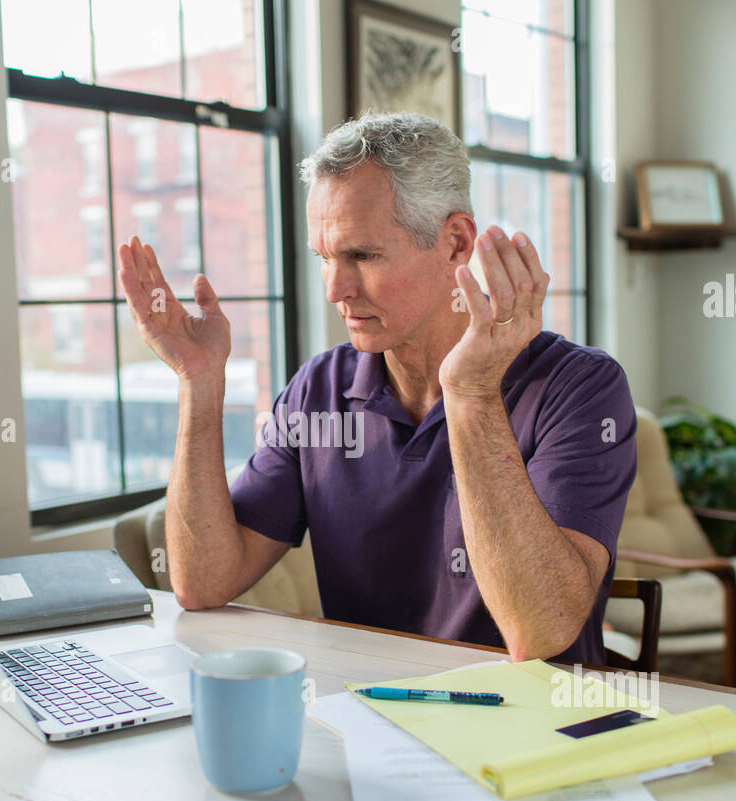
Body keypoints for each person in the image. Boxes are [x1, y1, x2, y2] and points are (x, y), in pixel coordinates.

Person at [117, 111, 636, 665]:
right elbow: (202, 584)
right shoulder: (319, 389)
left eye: (362, 256)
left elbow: (539, 633)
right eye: (324, 258)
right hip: (365, 716)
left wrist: (471, 395)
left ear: (456, 243)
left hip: (531, 732)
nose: (336, 289)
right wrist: (199, 382)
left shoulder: (579, 388)